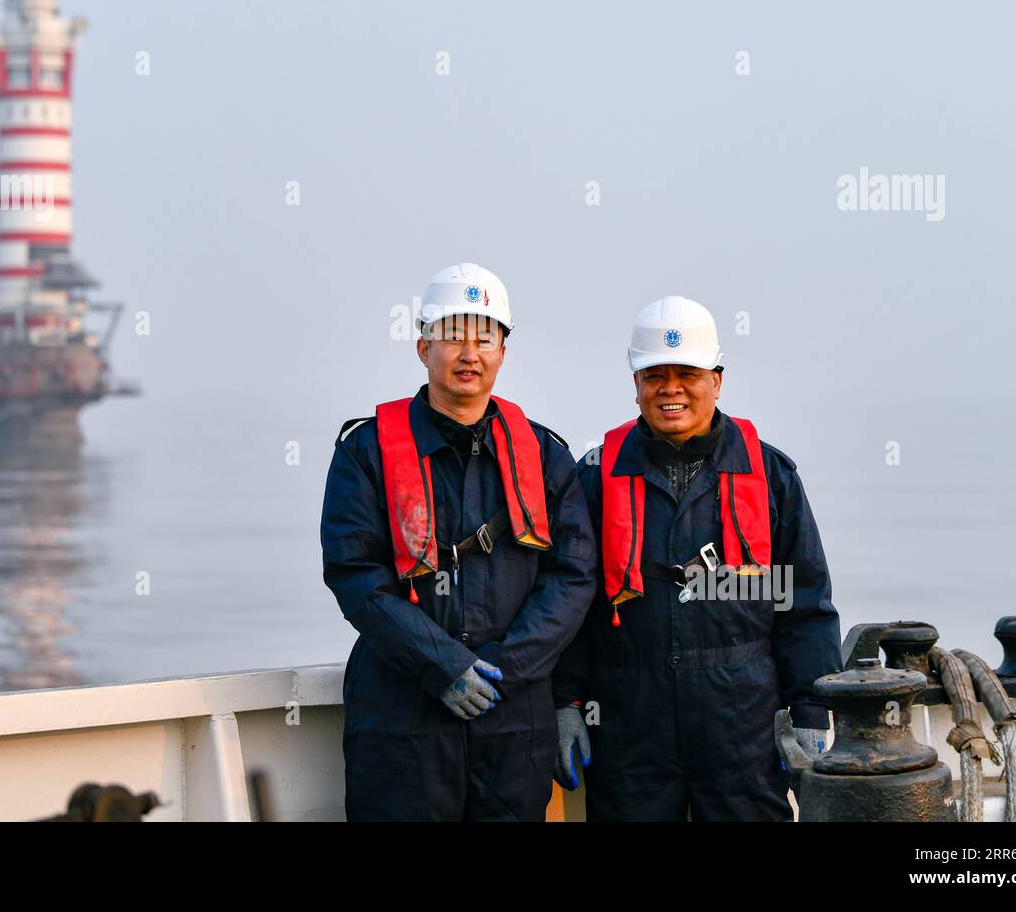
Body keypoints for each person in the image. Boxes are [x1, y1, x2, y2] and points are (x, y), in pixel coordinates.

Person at [322, 262, 596, 821]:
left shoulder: (546, 455)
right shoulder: (365, 451)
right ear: (423, 348)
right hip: (401, 714)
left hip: (514, 717)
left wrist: (505, 669)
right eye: (452, 336)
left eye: (484, 338)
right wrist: (442, 664)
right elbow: (355, 573)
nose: (469, 353)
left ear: (503, 352)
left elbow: (573, 576)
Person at [552, 295, 841, 821]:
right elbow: (570, 601)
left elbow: (805, 604)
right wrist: (565, 703)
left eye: (687, 374)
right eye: (654, 375)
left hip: (745, 726)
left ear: (717, 380)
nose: (671, 389)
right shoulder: (593, 478)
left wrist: (812, 707)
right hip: (627, 727)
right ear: (635, 383)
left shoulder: (771, 476)